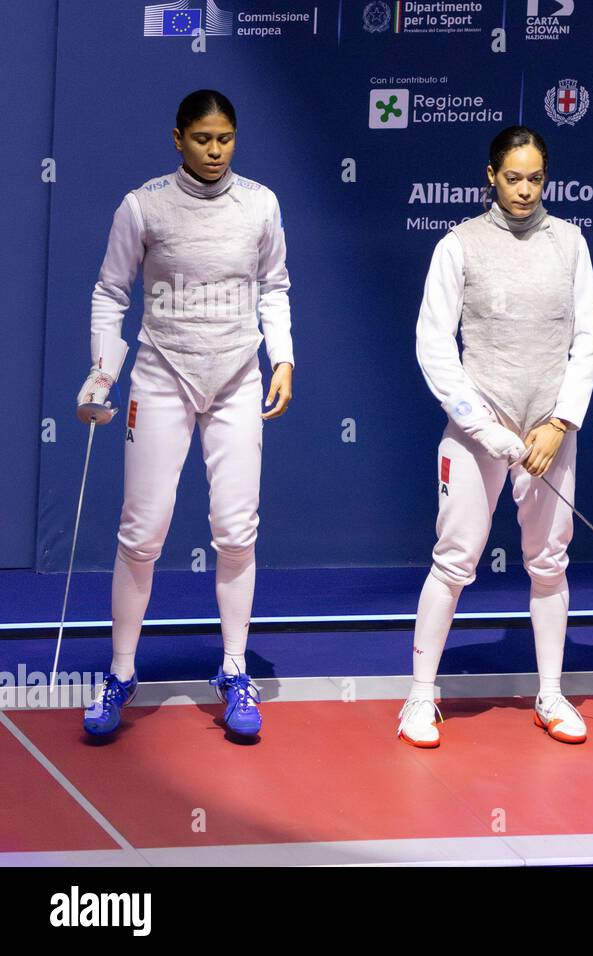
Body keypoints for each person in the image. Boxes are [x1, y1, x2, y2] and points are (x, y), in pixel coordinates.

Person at [79, 89, 294, 739]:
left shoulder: (260, 204)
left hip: (235, 379)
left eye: (224, 138)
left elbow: (275, 285)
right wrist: (102, 372)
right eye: (202, 138)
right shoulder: (143, 206)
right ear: (178, 139)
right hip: (160, 375)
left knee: (235, 531)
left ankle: (233, 669)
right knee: (141, 533)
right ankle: (121, 671)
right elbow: (111, 292)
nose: (214, 150)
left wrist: (282, 357)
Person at [402, 126, 593, 749]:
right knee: (454, 559)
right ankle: (419, 697)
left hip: (550, 430)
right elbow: (434, 347)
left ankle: (550, 693)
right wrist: (488, 430)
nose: (523, 188)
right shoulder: (458, 245)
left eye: (534, 177)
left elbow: (585, 342)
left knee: (548, 562)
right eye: (512, 176)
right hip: (474, 429)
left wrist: (559, 423)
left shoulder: (570, 244)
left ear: (547, 177)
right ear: (491, 175)